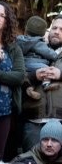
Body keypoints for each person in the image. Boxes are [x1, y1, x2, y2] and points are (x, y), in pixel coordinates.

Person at [0, 1, 25, 161]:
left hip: (5, 111)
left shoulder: (13, 48)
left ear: (7, 21)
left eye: (2, 15)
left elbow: (19, 76)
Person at [21, 15, 62, 149]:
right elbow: (15, 76)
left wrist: (60, 74)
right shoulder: (30, 49)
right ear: (48, 30)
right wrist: (33, 76)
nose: (57, 31)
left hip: (60, 121)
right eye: (54, 28)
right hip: (33, 120)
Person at [16, 15, 57, 99]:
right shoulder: (38, 43)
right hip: (36, 65)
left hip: (24, 65)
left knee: (28, 79)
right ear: (42, 33)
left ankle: (29, 89)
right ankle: (46, 85)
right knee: (47, 70)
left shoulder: (19, 40)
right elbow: (49, 54)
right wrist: (56, 54)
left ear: (26, 29)